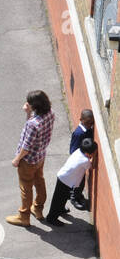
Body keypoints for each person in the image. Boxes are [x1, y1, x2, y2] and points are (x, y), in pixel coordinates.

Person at [7, 89, 56, 227]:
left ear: (35, 106)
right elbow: (33, 132)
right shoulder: (50, 113)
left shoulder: (33, 124)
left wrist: (17, 159)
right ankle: (38, 209)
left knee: (26, 187)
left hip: (28, 160)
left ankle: (24, 216)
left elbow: (27, 146)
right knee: (39, 181)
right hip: (40, 156)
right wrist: (29, 113)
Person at [42, 138, 97, 226]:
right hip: (65, 180)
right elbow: (92, 167)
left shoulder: (78, 151)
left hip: (65, 178)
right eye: (93, 152)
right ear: (88, 153)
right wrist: (94, 157)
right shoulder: (85, 160)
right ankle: (51, 218)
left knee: (62, 197)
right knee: (58, 200)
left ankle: (60, 210)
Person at [69, 108, 95, 210]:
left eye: (91, 122)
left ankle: (78, 195)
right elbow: (73, 150)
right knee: (77, 180)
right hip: (78, 161)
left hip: (83, 160)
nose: (90, 125)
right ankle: (73, 197)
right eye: (88, 122)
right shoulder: (78, 133)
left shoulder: (88, 130)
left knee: (81, 181)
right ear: (81, 119)